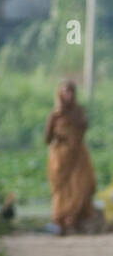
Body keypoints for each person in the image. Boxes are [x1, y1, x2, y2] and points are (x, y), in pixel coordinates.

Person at [45, 80, 97, 234]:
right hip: (60, 158)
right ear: (60, 94)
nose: (68, 95)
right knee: (62, 191)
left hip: (79, 156)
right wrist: (60, 133)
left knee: (84, 186)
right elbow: (47, 139)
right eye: (65, 91)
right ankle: (62, 221)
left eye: (70, 91)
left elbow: (83, 129)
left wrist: (78, 121)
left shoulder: (79, 111)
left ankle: (75, 220)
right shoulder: (55, 115)